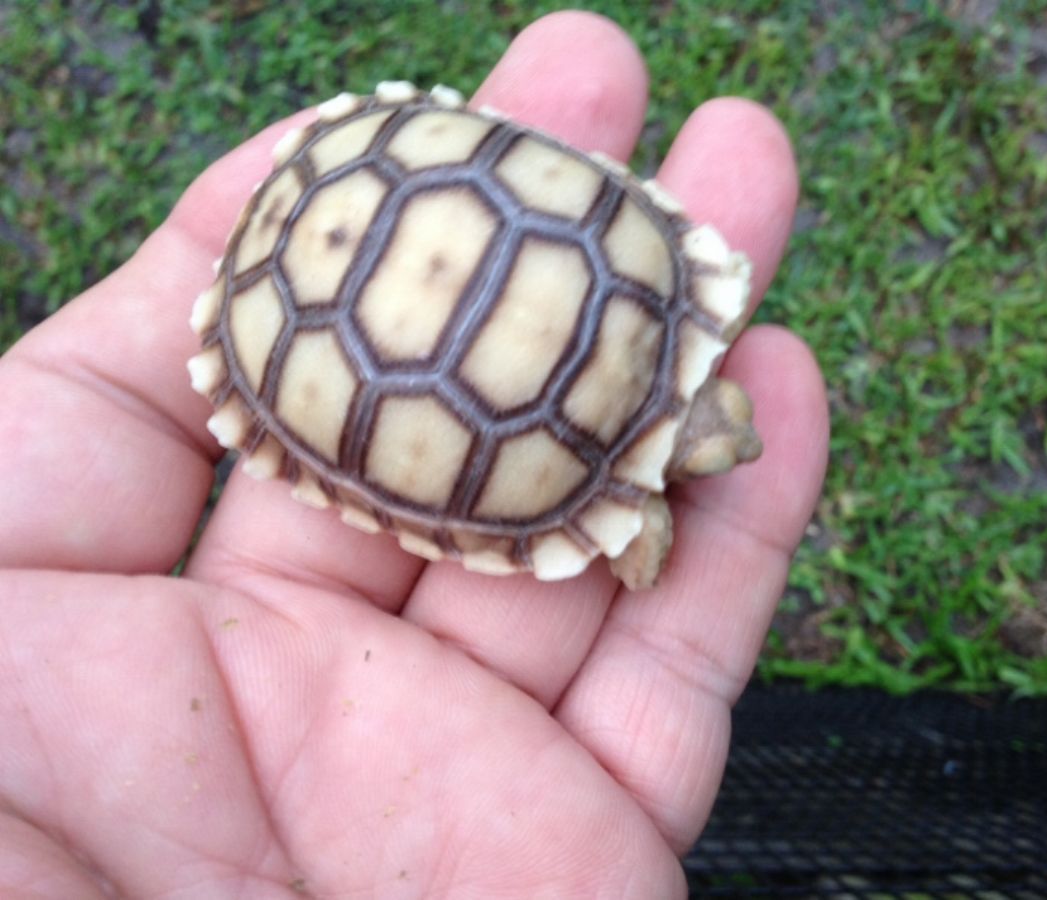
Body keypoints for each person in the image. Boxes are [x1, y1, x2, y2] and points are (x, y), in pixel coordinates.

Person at [0, 11, 827, 898]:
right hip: (329, 271)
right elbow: (628, 536)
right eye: (719, 434)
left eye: (717, 436)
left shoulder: (659, 311)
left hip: (371, 184)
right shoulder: (623, 505)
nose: (732, 445)